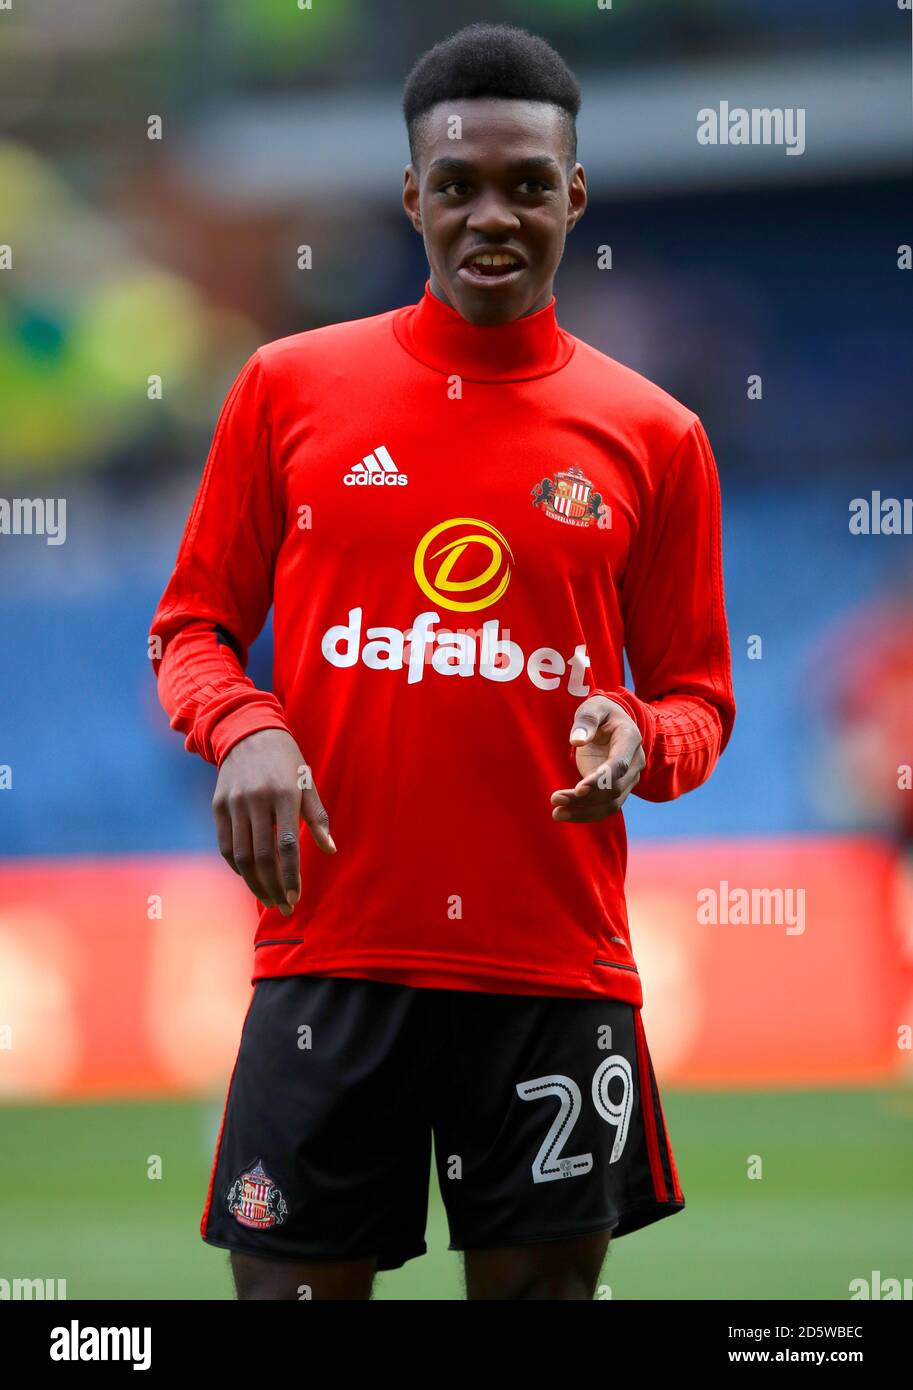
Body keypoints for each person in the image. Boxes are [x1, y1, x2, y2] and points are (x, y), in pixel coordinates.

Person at [149, 22, 736, 1301]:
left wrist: (642, 737)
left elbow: (699, 698)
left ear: (572, 196)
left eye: (528, 184)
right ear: (411, 194)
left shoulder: (655, 435)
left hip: (548, 968)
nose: (492, 214)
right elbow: (189, 626)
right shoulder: (286, 388)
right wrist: (247, 727)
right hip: (332, 960)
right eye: (457, 184)